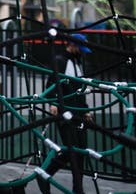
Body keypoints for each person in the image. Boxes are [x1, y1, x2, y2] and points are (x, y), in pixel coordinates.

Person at [38, 33, 93, 194]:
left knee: (81, 151)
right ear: (72, 46)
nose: (82, 52)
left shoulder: (77, 63)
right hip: (65, 112)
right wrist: (54, 103)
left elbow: (79, 90)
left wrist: (86, 109)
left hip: (78, 113)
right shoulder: (60, 61)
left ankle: (78, 189)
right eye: (80, 48)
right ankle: (44, 174)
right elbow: (51, 86)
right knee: (72, 149)